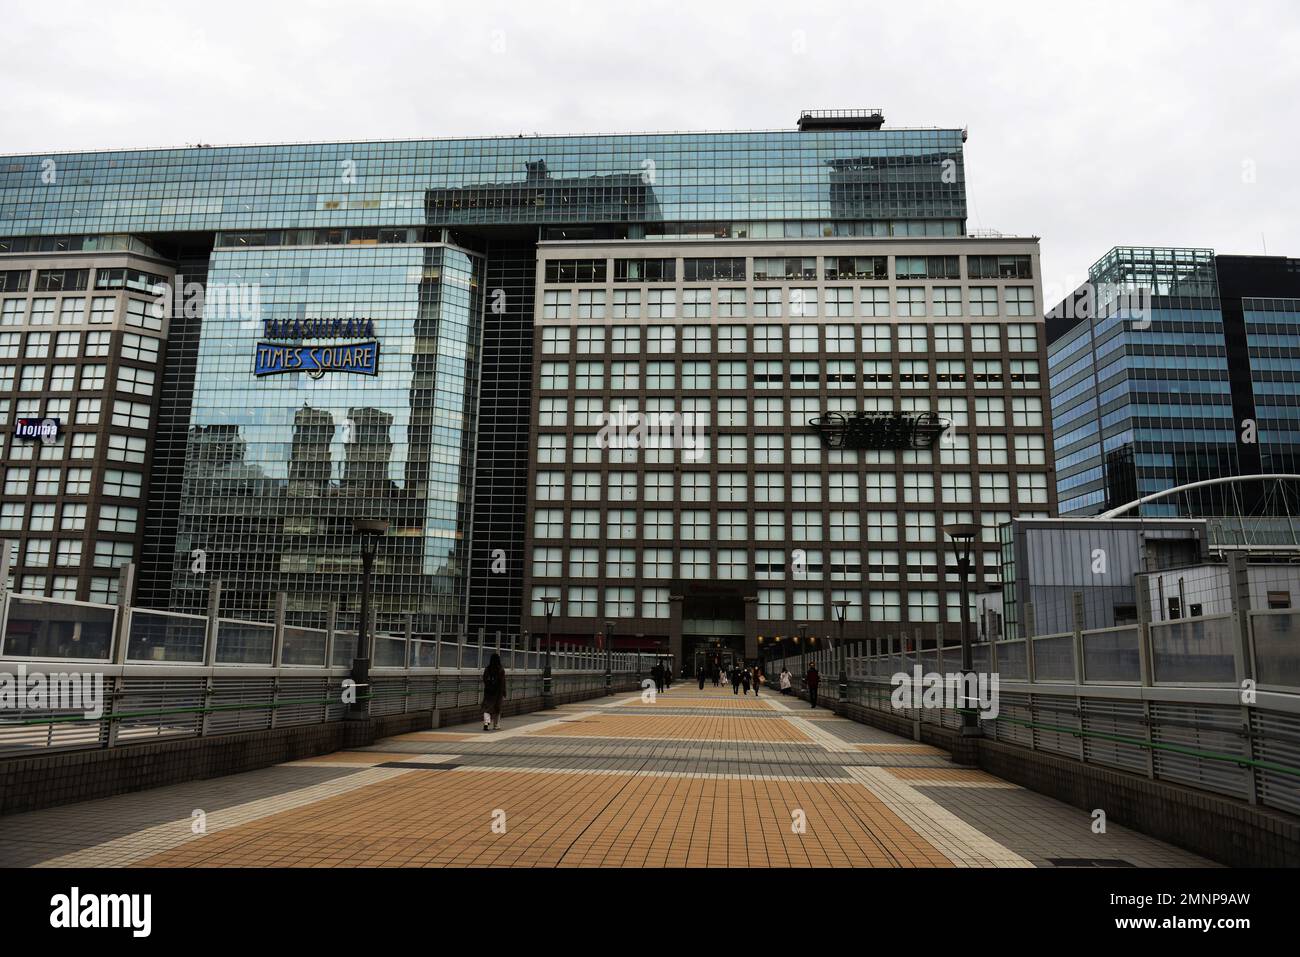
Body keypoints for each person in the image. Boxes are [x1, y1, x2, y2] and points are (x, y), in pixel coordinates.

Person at [482, 652, 507, 731]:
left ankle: (486, 722)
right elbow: (503, 682)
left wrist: (488, 686)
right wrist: (504, 691)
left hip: (488, 691)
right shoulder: (501, 669)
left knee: (487, 707)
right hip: (498, 692)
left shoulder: (487, 669)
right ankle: (496, 725)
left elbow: (485, 679)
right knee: (497, 708)